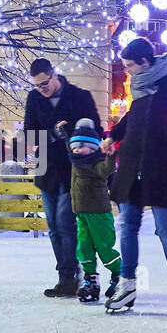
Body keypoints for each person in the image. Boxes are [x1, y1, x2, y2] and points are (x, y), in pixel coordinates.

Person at [101, 38, 167, 315]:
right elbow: (134, 116)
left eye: (130, 65)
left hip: (161, 164)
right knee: (128, 225)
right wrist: (113, 137)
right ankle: (128, 284)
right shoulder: (140, 85)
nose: (128, 70)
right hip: (132, 164)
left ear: (144, 62)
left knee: (165, 227)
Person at [23, 58, 102, 296]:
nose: (42, 89)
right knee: (54, 227)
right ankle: (64, 275)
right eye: (37, 85)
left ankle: (71, 276)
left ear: (55, 75)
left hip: (74, 171)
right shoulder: (34, 99)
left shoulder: (80, 97)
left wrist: (76, 134)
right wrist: (54, 134)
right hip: (47, 170)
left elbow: (95, 131)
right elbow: (30, 134)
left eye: (45, 83)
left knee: (65, 223)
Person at [66, 118, 121, 303]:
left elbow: (107, 169)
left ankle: (120, 275)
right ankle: (91, 281)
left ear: (91, 147)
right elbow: (69, 143)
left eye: (81, 146)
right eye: (75, 147)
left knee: (104, 248)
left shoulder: (96, 162)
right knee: (84, 248)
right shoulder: (75, 160)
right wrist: (64, 133)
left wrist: (111, 155)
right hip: (81, 213)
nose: (77, 150)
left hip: (99, 213)